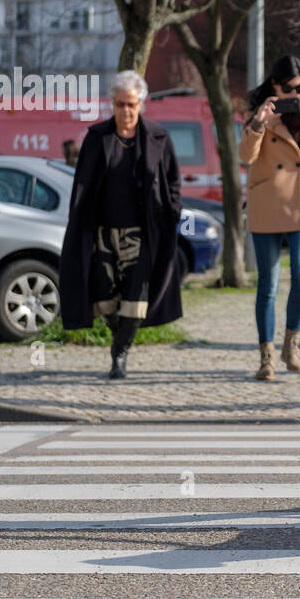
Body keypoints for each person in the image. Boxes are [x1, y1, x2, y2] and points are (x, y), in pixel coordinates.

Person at [58, 70, 183, 379]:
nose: (126, 111)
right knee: (101, 296)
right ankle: (119, 335)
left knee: (136, 296)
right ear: (111, 104)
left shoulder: (158, 137)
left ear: (141, 104)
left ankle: (120, 355)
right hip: (101, 231)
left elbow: (173, 181)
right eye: (120, 104)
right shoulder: (97, 137)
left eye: (131, 104)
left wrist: (172, 211)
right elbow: (82, 184)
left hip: (142, 232)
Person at [240, 54, 300, 381]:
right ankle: (266, 356)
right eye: (287, 88)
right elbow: (246, 156)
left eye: (299, 87)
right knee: (268, 284)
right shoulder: (260, 115)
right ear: (273, 86)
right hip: (268, 202)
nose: (292, 93)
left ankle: (291, 344)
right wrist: (259, 121)